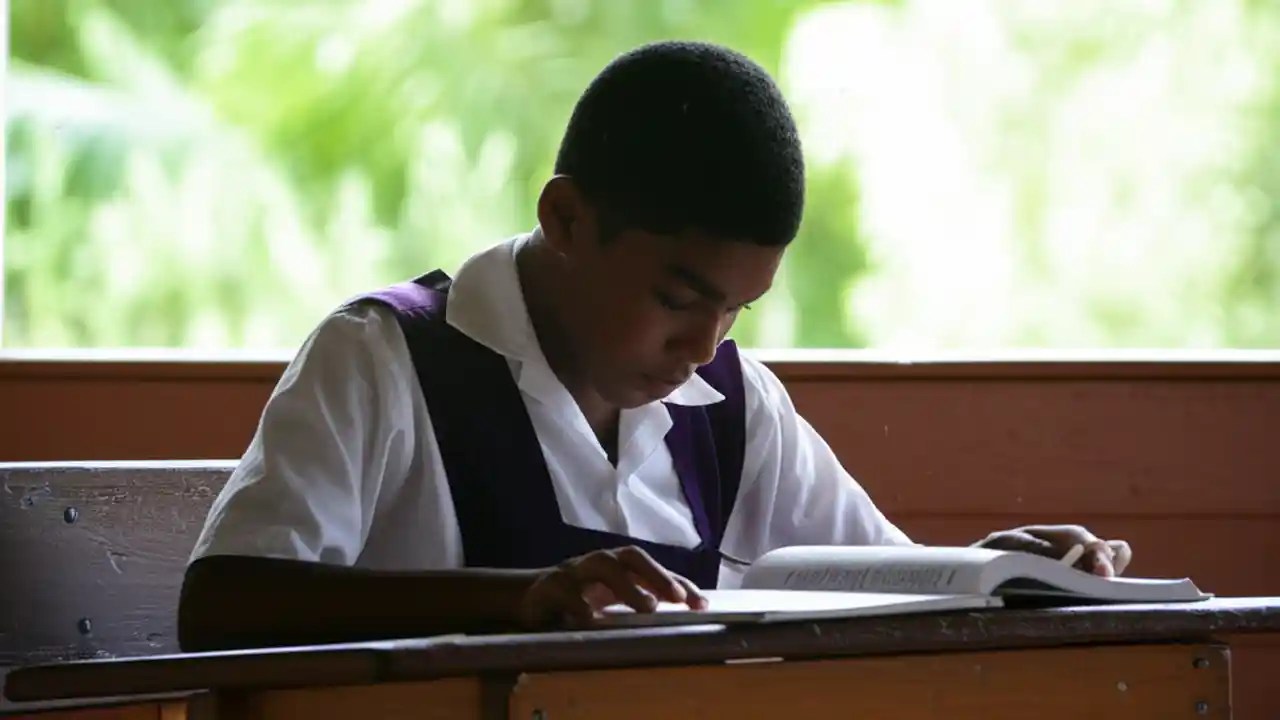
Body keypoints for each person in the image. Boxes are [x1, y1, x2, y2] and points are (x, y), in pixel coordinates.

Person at [179, 40, 1131, 651]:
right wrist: (520, 601)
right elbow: (223, 604)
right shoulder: (386, 360)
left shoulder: (731, 406)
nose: (702, 345)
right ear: (564, 217)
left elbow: (876, 581)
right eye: (680, 298)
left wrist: (993, 571)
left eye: (738, 313)